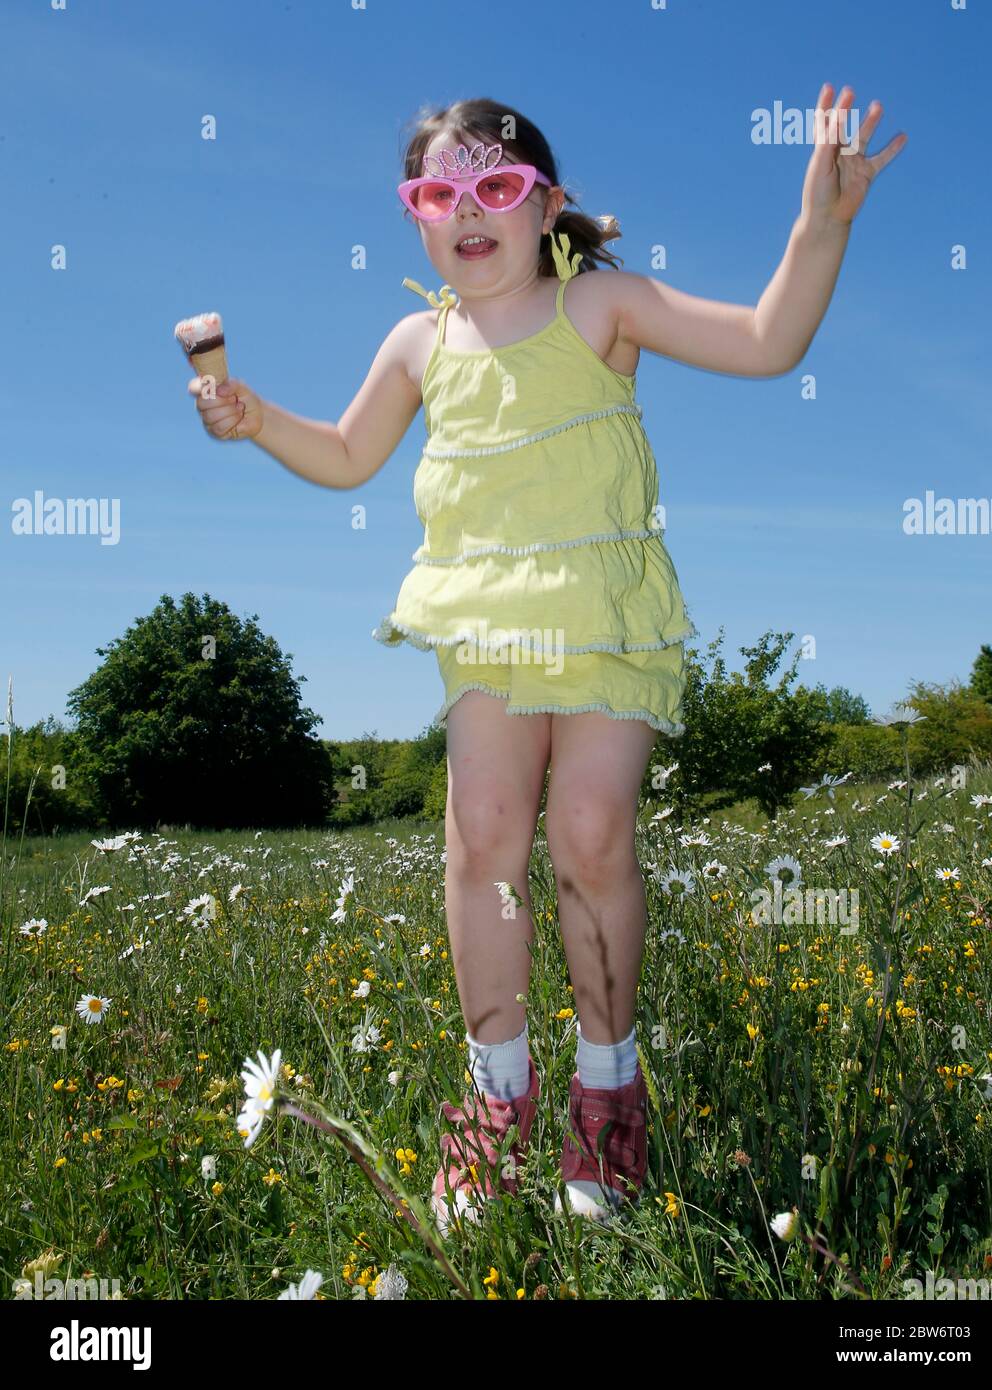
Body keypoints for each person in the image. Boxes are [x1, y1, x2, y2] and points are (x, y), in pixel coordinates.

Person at [187, 91, 906, 1234]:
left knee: (586, 833)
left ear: (546, 204)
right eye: (439, 192)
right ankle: (497, 1093)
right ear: (416, 218)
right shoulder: (416, 342)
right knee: (481, 828)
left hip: (604, 613)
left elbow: (770, 342)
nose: (468, 209)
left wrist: (821, 222)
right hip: (482, 616)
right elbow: (344, 452)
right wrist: (256, 414)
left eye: (498, 187)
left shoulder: (599, 305)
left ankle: (608, 1087)